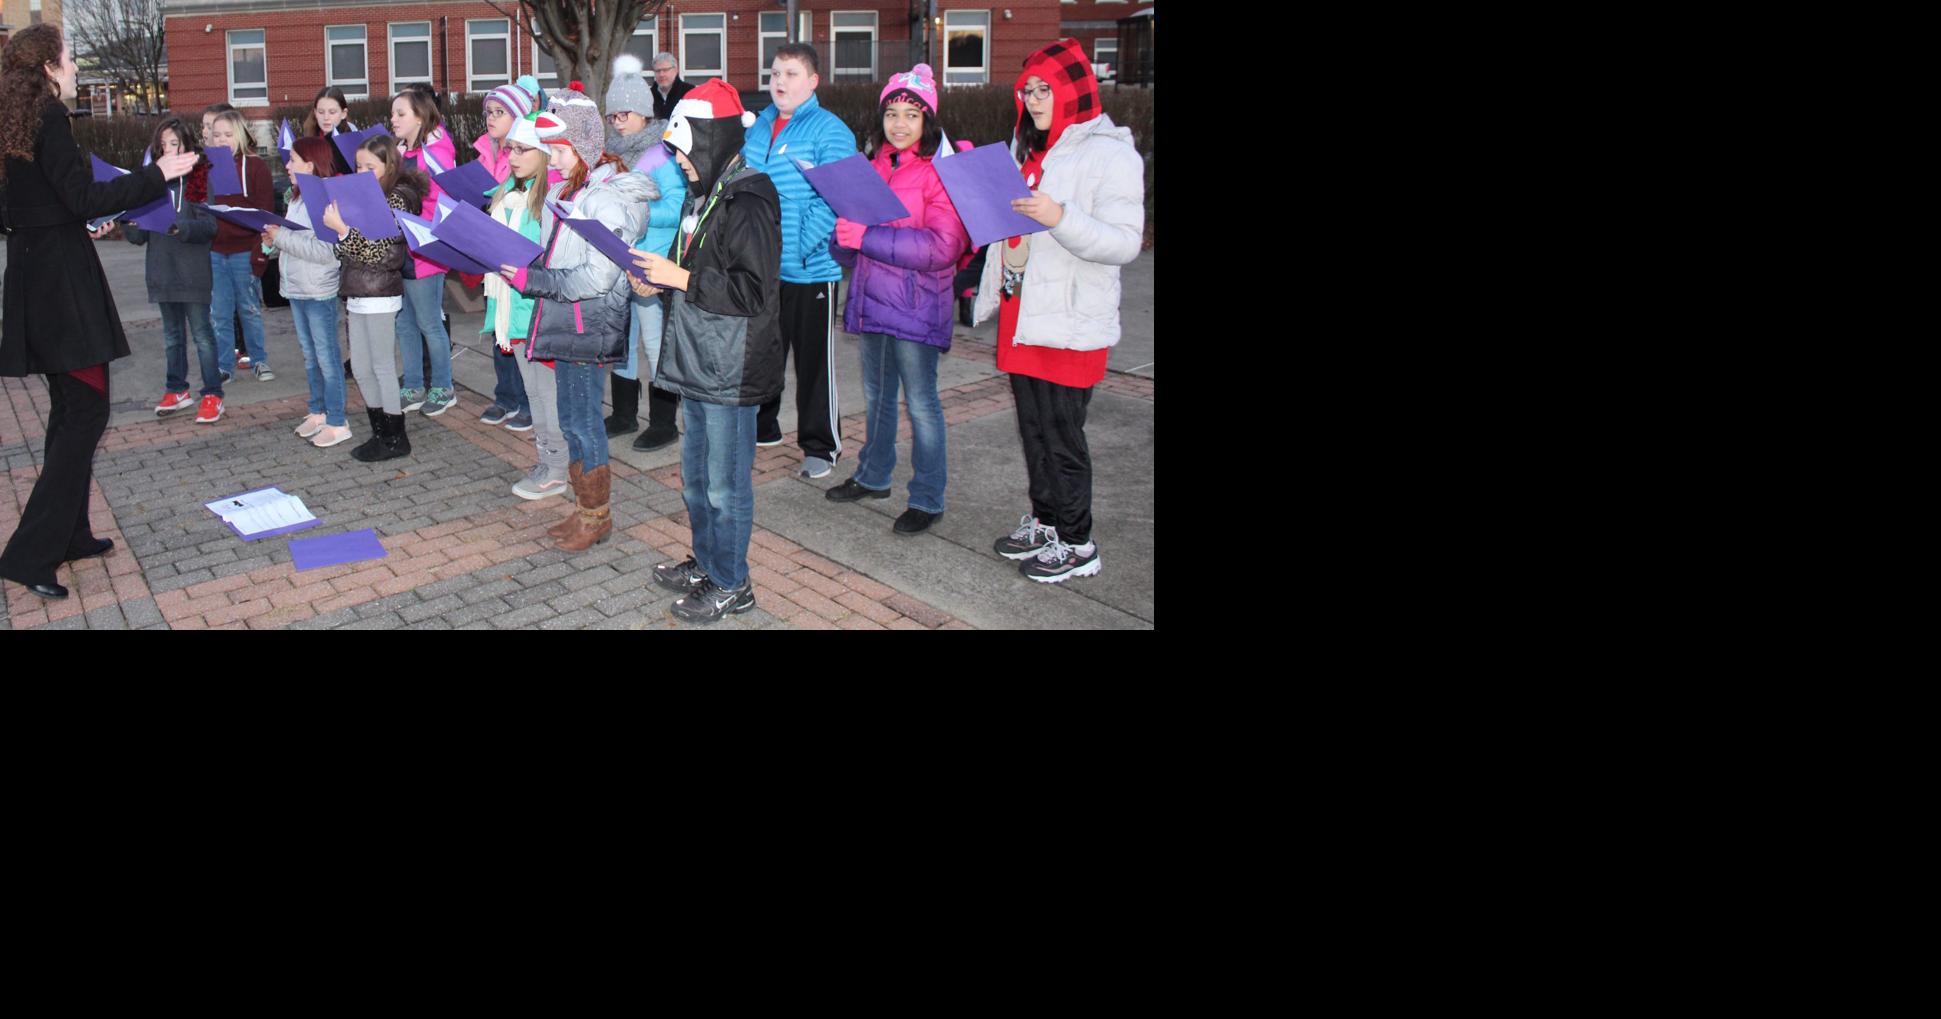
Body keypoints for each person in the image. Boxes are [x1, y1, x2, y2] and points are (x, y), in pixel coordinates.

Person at [0, 23, 198, 600]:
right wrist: (156, 175)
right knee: (85, 413)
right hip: (63, 287)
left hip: (37, 274)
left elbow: (49, 204)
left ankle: (71, 533)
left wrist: (80, 219)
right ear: (47, 68)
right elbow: (82, 197)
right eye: (70, 58)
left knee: (70, 412)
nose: (77, 67)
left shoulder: (15, 121)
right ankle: (31, 552)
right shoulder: (49, 118)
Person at [974, 39, 1143, 583]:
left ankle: (1078, 541)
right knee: (1035, 430)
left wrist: (1059, 215)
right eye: (1029, 90)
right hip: (1024, 314)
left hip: (1070, 322)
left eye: (1047, 88)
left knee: (1063, 437)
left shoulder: (1111, 152)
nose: (1036, 98)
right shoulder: (1027, 149)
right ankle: (1048, 521)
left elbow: (1124, 242)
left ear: (1075, 90)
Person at [629, 79, 782, 623]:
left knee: (726, 484)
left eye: (684, 150)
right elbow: (694, 270)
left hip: (730, 366)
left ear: (712, 140)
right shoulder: (707, 194)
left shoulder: (750, 196)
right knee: (696, 478)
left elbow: (751, 289)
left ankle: (733, 583)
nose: (678, 162)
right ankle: (710, 563)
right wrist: (660, 281)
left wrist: (681, 277)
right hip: (698, 358)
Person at [501, 85, 652, 551]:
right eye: (553, 150)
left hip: (589, 325)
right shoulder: (574, 190)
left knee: (584, 421)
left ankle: (598, 516)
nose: (556, 160)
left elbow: (596, 279)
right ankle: (585, 509)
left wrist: (536, 282)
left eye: (562, 150)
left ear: (585, 147)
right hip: (569, 322)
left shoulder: (603, 200)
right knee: (570, 418)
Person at [825, 64, 967, 536]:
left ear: (928, 120)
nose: (899, 124)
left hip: (916, 307)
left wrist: (866, 237)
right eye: (892, 113)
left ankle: (928, 496)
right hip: (872, 301)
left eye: (911, 114)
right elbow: (850, 241)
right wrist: (844, 238)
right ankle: (873, 475)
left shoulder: (939, 175)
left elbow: (941, 248)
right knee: (878, 398)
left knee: (922, 404)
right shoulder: (872, 166)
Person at [741, 42, 856, 479]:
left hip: (810, 271)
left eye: (790, 74)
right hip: (762, 270)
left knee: (813, 365)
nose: (779, 83)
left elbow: (833, 200)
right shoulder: (759, 127)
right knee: (764, 355)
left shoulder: (830, 131)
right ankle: (764, 426)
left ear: (812, 81)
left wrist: (797, 249)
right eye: (774, 74)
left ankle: (821, 446)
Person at [280, 134, 424, 462]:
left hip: (379, 292)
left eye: (369, 167)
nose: (361, 172)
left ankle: (394, 437)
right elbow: (351, 247)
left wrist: (342, 230)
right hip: (357, 289)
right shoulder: (368, 193)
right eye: (358, 166)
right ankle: (380, 431)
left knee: (382, 366)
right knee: (360, 366)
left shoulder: (396, 198)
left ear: (388, 166)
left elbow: (381, 253)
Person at [479, 112, 566, 500]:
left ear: (545, 153)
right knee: (533, 394)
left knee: (547, 395)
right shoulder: (507, 194)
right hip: (511, 310)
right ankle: (547, 459)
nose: (512, 156)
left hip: (537, 313)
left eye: (522, 149)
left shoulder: (549, 200)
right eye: (509, 148)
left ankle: (557, 466)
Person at [603, 53, 687, 448]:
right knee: (622, 339)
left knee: (654, 340)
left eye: (625, 114)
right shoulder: (611, 153)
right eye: (613, 116)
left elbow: (675, 208)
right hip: (618, 258)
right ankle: (622, 413)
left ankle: (663, 420)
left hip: (649, 262)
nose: (618, 122)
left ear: (643, 112)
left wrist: (634, 210)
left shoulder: (662, 154)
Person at [123, 116, 224, 425]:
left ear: (186, 146)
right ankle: (177, 389)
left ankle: (212, 393)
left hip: (192, 272)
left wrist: (180, 227)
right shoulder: (149, 182)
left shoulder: (198, 179)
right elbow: (138, 237)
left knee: (202, 335)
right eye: (162, 145)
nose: (167, 149)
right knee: (171, 336)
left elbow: (210, 226)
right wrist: (127, 220)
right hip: (161, 271)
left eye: (174, 144)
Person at [262, 136, 351, 448]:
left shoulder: (324, 199)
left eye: (293, 160)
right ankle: (318, 411)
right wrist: (272, 240)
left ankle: (338, 420)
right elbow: (293, 241)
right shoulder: (297, 198)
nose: (287, 165)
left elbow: (327, 252)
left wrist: (282, 238)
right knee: (310, 356)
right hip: (297, 289)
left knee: (327, 358)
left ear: (311, 164)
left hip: (318, 292)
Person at [471, 75, 546, 431]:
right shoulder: (499, 172)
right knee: (506, 339)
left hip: (528, 286)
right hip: (502, 280)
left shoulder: (541, 191)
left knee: (529, 352)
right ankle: (510, 397)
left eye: (500, 111)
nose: (512, 156)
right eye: (489, 111)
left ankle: (530, 404)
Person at [389, 83, 458, 418]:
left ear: (420, 117)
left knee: (430, 322)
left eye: (401, 114)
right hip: (402, 248)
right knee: (405, 323)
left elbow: (447, 201)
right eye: (392, 114)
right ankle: (413, 385)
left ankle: (443, 387)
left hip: (426, 250)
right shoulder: (402, 152)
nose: (394, 120)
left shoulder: (436, 153)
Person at [204, 108, 276, 383]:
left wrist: (259, 249)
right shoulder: (205, 168)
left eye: (228, 134)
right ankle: (224, 365)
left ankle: (259, 359)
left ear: (240, 135)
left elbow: (264, 211)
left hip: (244, 249)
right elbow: (199, 205)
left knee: (249, 308)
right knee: (219, 313)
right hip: (214, 251)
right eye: (217, 134)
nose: (223, 140)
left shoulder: (256, 166)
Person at [302, 85, 355, 174]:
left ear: (343, 113)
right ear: (315, 112)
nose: (326, 117)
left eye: (332, 112)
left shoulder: (351, 142)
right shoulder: (308, 138)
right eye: (321, 112)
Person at [649, 52, 692, 122]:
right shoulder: (648, 96)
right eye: (657, 71)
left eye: (665, 70)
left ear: (676, 70)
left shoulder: (689, 93)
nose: (661, 74)